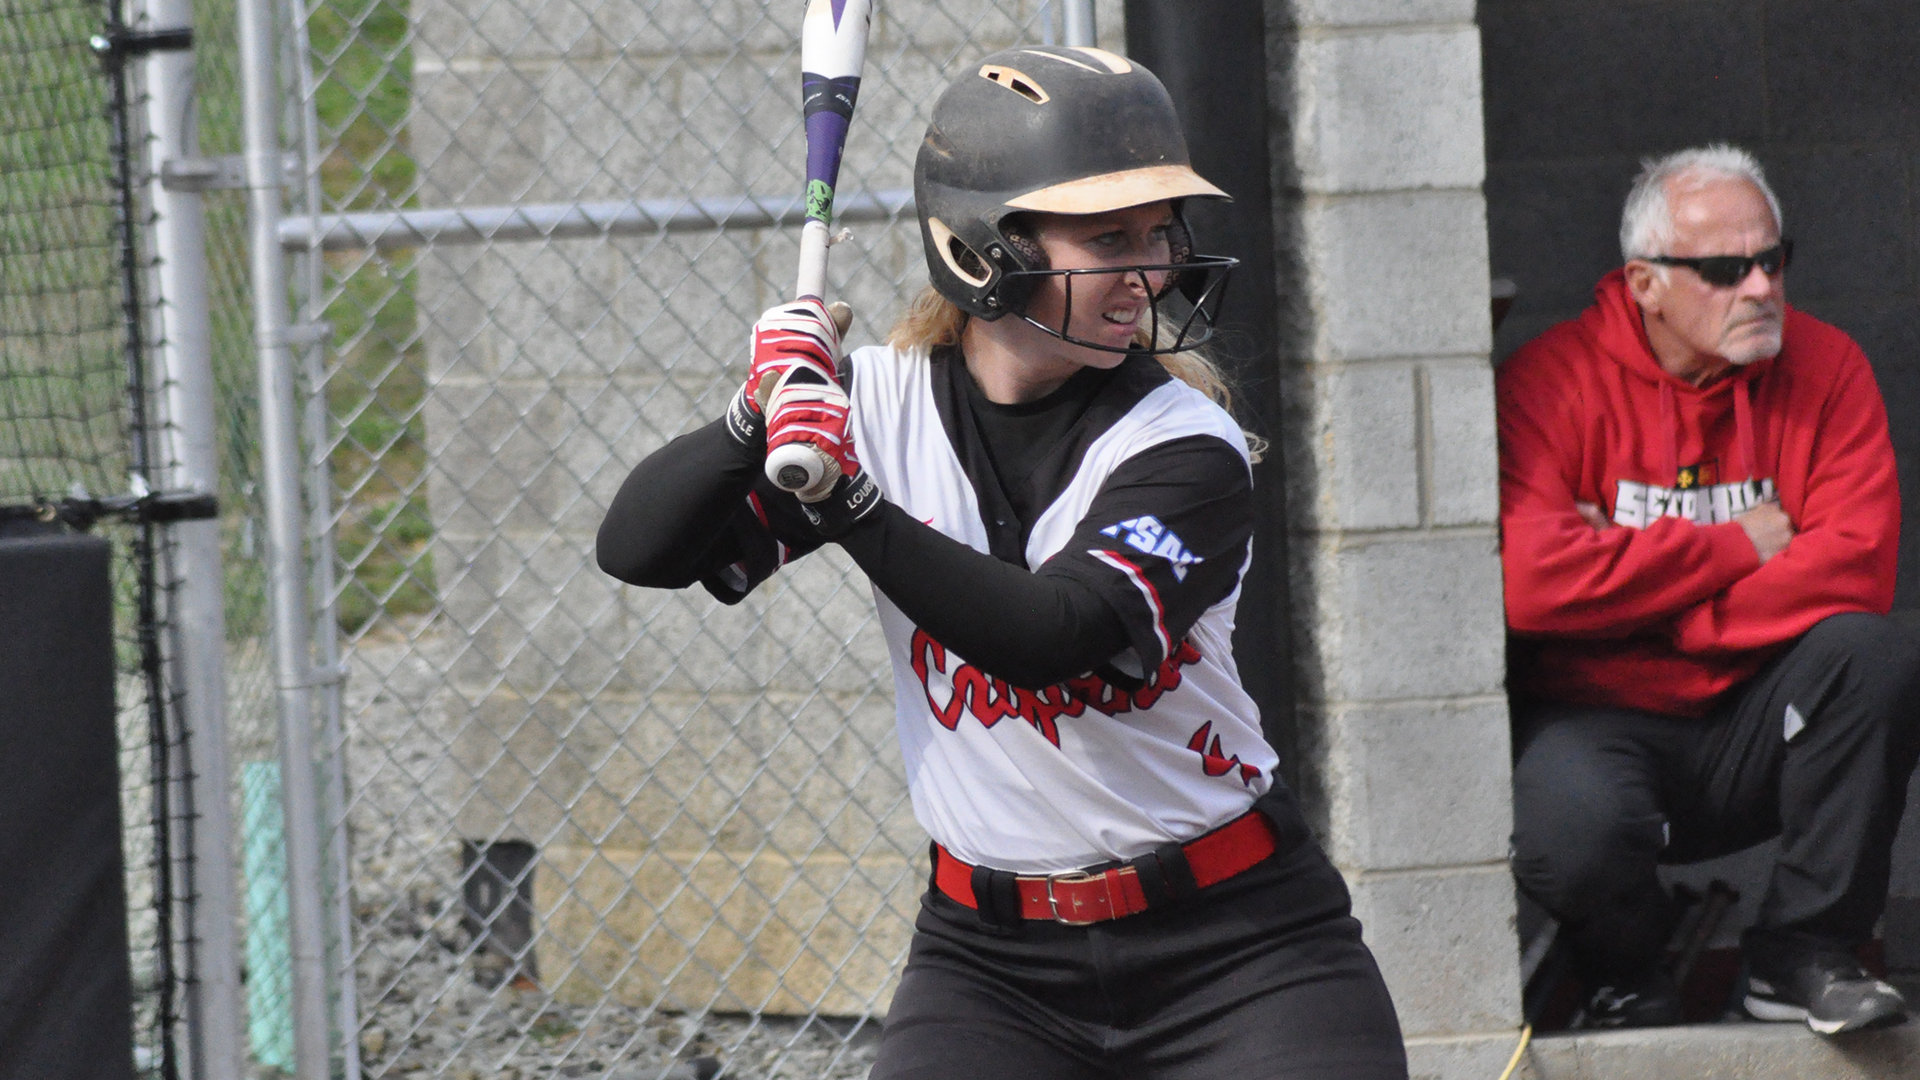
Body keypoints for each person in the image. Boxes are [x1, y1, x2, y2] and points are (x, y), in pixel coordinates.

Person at [598, 45, 1408, 1080]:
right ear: (984, 250)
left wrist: (846, 501)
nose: (1150, 272)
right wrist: (749, 417)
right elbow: (639, 551)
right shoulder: (877, 406)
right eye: (1109, 237)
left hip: (1240, 950)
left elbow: (1051, 638)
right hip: (990, 966)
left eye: (1158, 235)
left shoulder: (1182, 447)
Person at [1498, 144, 1920, 1034]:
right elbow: (1532, 588)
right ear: (1645, 284)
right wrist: (1737, 546)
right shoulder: (1550, 382)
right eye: (1726, 270)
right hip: (1600, 723)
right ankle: (1625, 974)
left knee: (1879, 654)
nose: (1761, 288)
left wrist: (1655, 610)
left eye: (1773, 260)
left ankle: (1802, 955)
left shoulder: (1829, 366)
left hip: (1756, 717)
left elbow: (1856, 566)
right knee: (1567, 824)